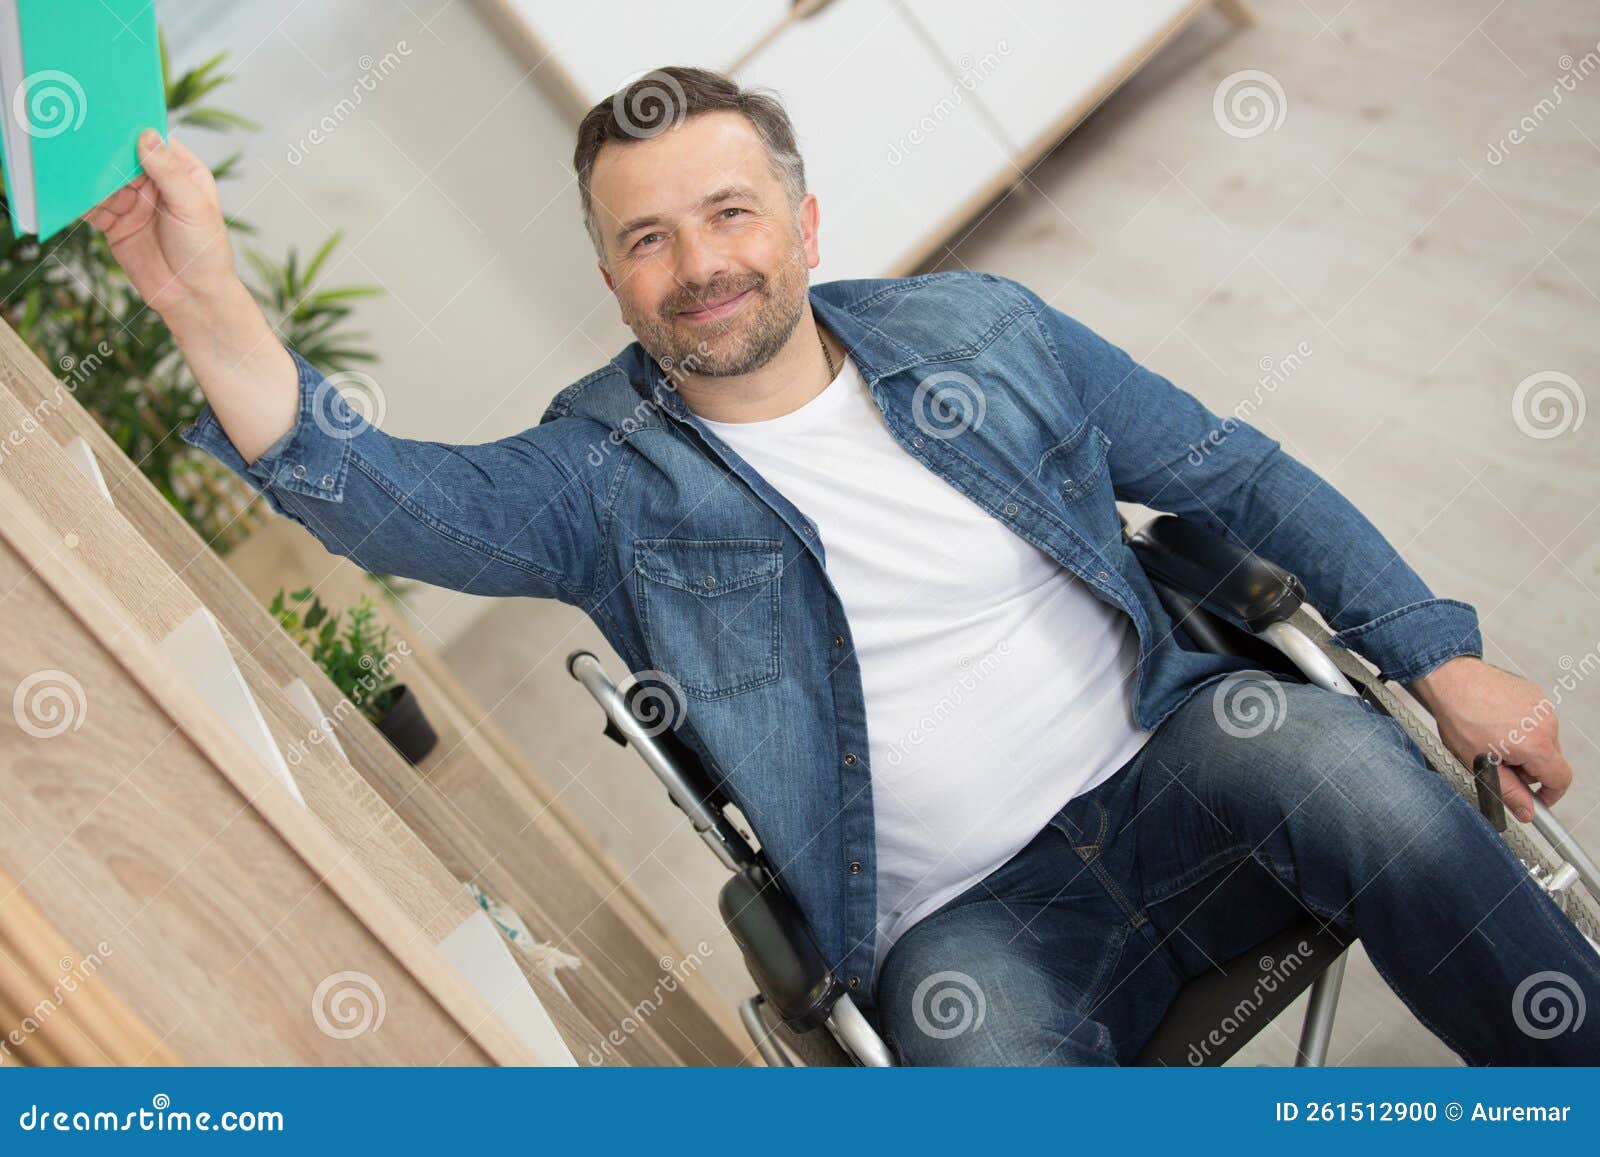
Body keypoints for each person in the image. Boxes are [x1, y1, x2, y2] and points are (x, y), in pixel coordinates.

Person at [88, 65, 1598, 1065]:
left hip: (1186, 763)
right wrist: (206, 293)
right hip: (961, 926)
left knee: (1334, 755)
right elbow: (382, 499)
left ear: (803, 223)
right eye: (650, 240)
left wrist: (1439, 653)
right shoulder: (600, 478)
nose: (701, 266)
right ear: (614, 280)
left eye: (730, 213)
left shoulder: (987, 333)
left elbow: (1234, 473)